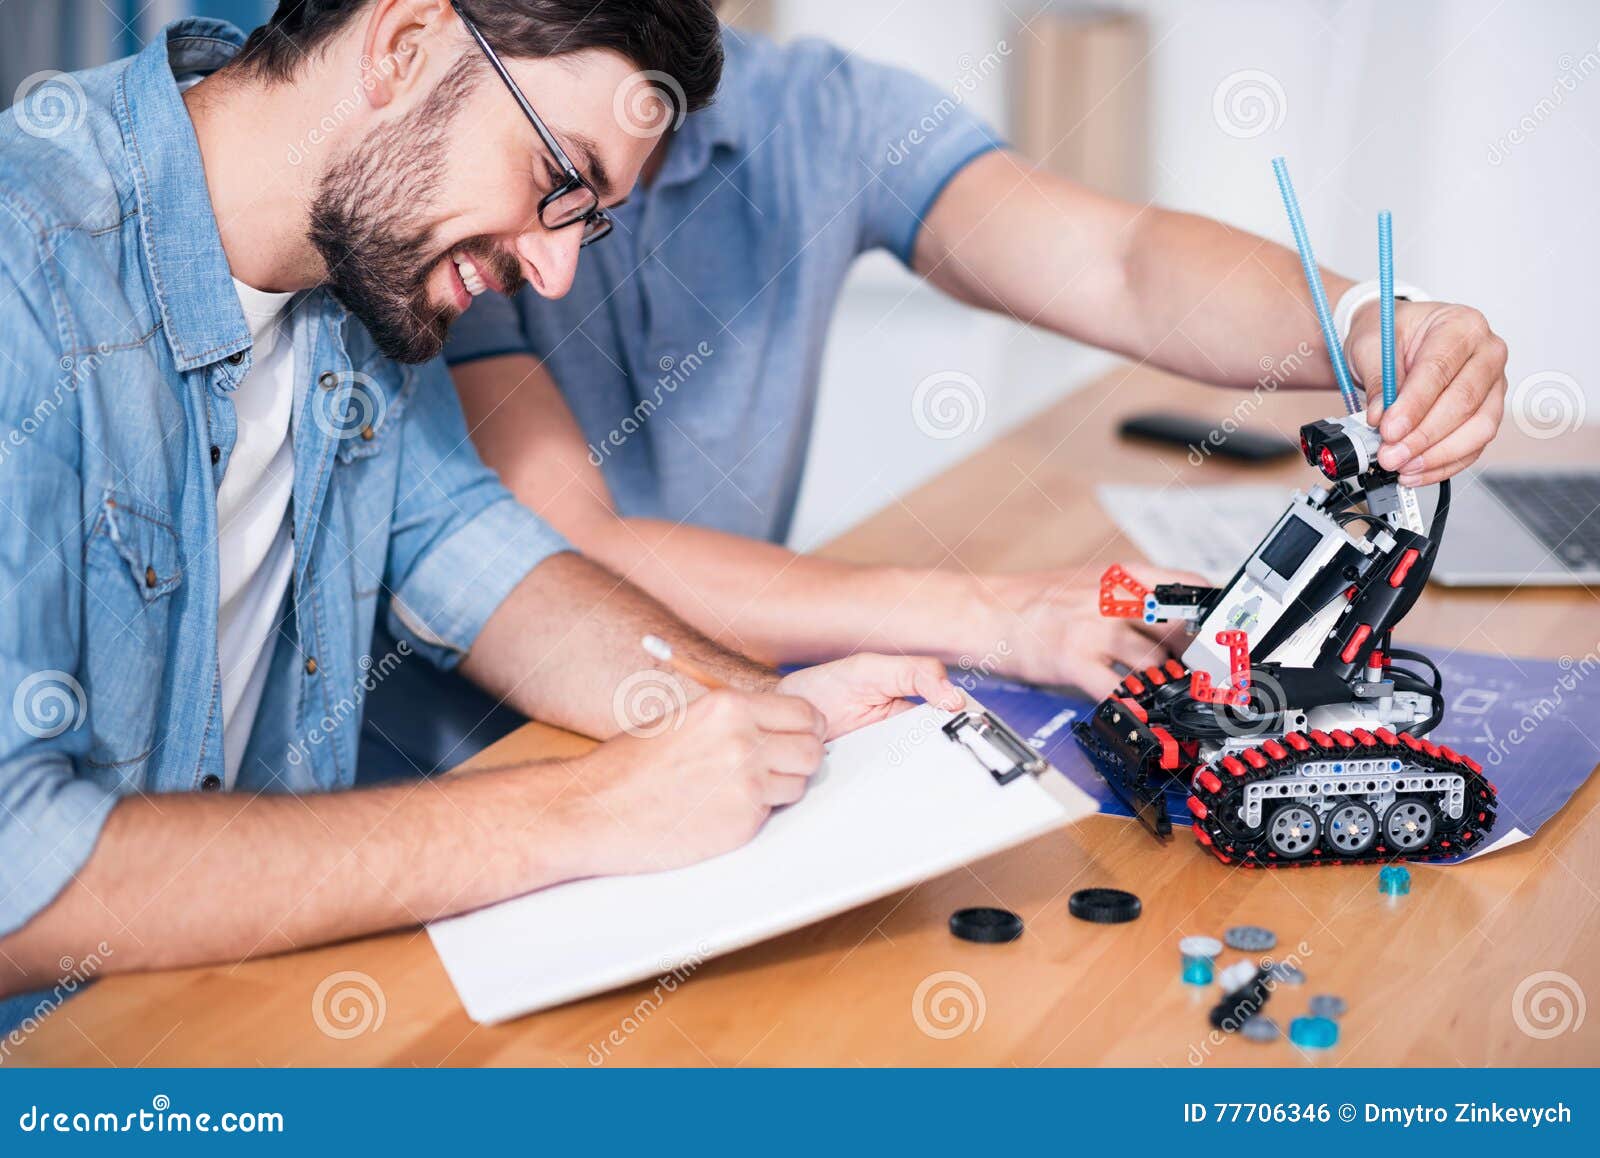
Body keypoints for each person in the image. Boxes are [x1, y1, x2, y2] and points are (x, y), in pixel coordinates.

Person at [0, 0, 963, 998]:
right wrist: (587, 810)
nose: (552, 274)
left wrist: (763, 708)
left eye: (587, 218)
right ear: (404, 43)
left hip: (216, 1018)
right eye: (559, 179)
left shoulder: (361, 269)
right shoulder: (21, 267)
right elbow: (15, 866)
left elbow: (478, 556)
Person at [376, 17, 1511, 770]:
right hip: (483, 757)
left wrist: (1369, 318)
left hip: (732, 704)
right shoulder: (484, 141)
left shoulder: (820, 111)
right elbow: (562, 554)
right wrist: (994, 613)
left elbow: (1117, 261)